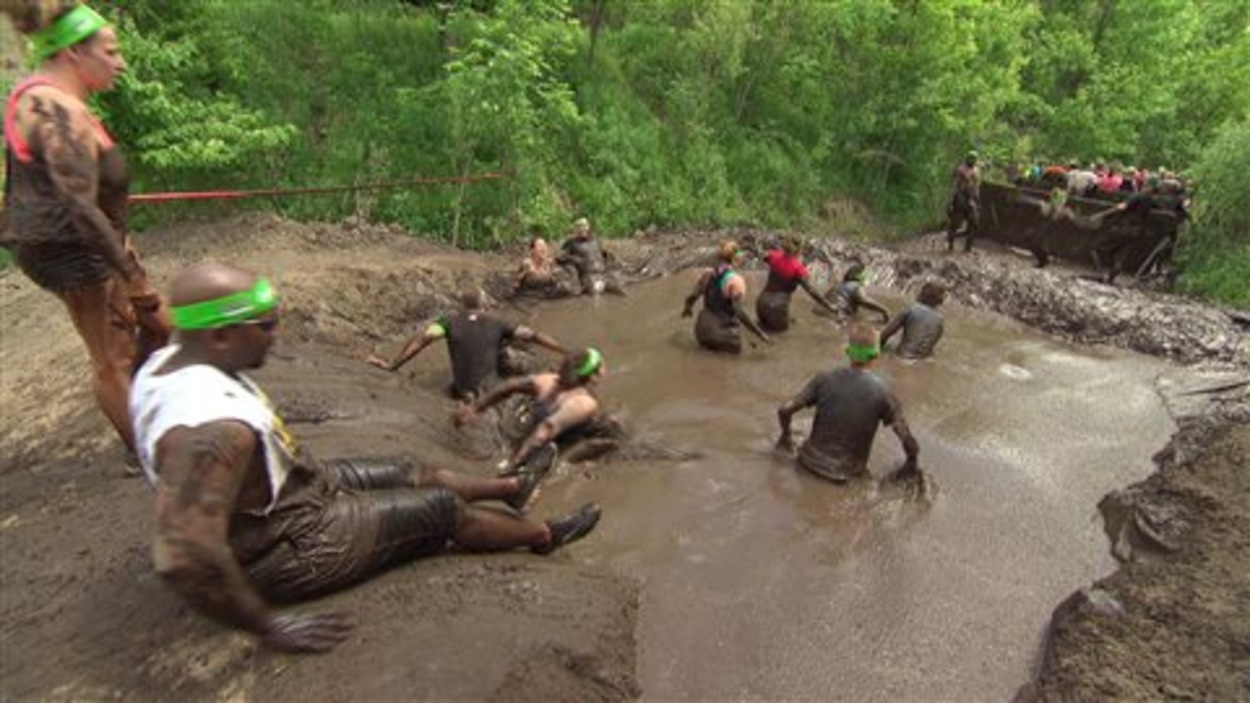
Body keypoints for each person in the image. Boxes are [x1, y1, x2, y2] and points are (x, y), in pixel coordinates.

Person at [129, 263, 602, 654]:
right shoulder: (214, 434)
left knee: (406, 469)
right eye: (266, 326)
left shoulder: (166, 357)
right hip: (292, 542)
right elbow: (183, 557)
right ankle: (542, 536)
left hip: (297, 487)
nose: (276, 337)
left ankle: (511, 489)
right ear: (220, 338)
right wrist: (268, 628)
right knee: (443, 510)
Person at [2, 2, 170, 453]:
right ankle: (154, 459)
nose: (121, 62)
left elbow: (92, 199)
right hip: (69, 249)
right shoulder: (53, 110)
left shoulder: (53, 101)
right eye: (111, 52)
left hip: (87, 240)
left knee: (155, 327)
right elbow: (78, 205)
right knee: (112, 357)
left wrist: (127, 257)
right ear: (75, 53)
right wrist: (135, 280)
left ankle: (164, 422)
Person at [775, 323, 919, 483]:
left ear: (848, 351)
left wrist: (786, 435)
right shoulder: (882, 392)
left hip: (806, 463)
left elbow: (784, 410)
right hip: (846, 475)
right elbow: (907, 440)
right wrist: (911, 462)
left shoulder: (824, 378)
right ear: (876, 354)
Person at [367, 288, 565, 400]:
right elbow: (535, 336)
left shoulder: (448, 322)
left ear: (463, 305)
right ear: (484, 304)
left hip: (462, 391)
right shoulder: (497, 321)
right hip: (492, 391)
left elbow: (420, 341)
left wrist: (393, 365)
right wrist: (562, 350)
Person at [454, 348, 609, 483]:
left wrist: (475, 408)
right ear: (593, 375)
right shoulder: (584, 403)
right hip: (561, 440)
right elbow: (545, 430)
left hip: (538, 425)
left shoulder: (546, 380)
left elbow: (508, 386)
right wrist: (513, 464)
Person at [680, 240, 771, 353]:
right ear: (735, 259)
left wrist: (687, 308)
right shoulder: (736, 281)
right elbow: (740, 312)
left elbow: (692, 296)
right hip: (722, 335)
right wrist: (760, 334)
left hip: (702, 332)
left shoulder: (707, 274)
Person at [755, 234, 839, 332]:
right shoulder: (798, 269)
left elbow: (762, 256)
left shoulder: (773, 255)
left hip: (760, 305)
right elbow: (812, 291)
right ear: (800, 249)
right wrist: (830, 306)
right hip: (777, 308)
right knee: (782, 339)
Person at [556, 217, 625, 295]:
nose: (582, 228)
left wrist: (607, 255)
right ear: (575, 229)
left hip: (603, 273)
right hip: (588, 276)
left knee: (620, 289)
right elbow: (559, 257)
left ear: (588, 227)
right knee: (595, 294)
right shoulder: (571, 242)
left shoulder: (595, 239)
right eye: (579, 226)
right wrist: (575, 259)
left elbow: (601, 253)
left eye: (584, 225)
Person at [879, 281, 946, 360]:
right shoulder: (940, 320)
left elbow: (885, 334)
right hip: (923, 360)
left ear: (922, 293)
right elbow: (930, 345)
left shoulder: (911, 309)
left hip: (903, 357)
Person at [823, 263, 890, 324]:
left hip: (826, 311)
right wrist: (884, 310)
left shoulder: (838, 285)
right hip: (839, 315)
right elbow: (864, 300)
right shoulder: (856, 286)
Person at [946, 150, 981, 252]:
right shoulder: (960, 169)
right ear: (967, 158)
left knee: (974, 222)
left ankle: (968, 247)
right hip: (961, 197)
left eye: (974, 159)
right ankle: (950, 244)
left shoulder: (976, 170)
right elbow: (954, 185)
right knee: (955, 223)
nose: (972, 160)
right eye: (971, 158)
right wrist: (950, 200)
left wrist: (977, 199)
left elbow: (976, 186)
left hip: (972, 198)